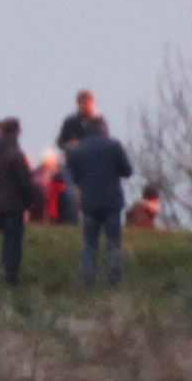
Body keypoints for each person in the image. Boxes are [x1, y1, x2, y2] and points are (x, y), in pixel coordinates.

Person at [66, 105, 134, 284]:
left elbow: (73, 176)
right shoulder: (114, 145)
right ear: (104, 128)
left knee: (90, 244)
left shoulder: (77, 150)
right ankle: (114, 277)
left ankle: (88, 278)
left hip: (89, 202)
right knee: (113, 242)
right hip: (112, 201)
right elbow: (127, 171)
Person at [0, 104, 42, 286]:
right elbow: (24, 181)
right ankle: (11, 275)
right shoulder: (15, 154)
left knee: (6, 238)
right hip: (14, 203)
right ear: (16, 131)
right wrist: (32, 200)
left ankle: (5, 269)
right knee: (14, 240)